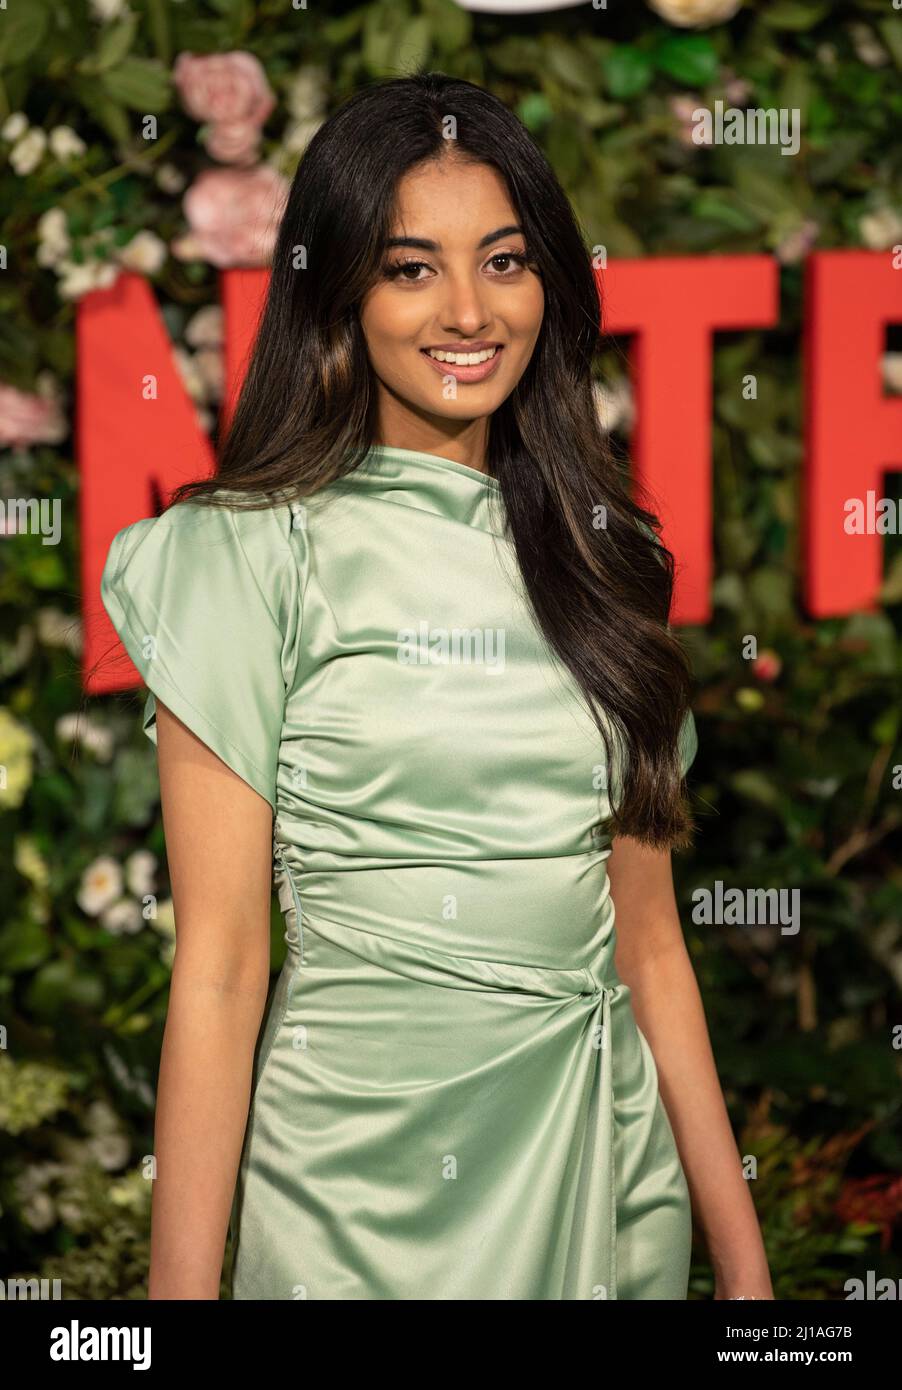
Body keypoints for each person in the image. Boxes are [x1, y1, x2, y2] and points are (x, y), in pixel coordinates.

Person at [100, 73, 773, 1301]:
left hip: (589, 1163)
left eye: (504, 261)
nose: (467, 310)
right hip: (345, 1192)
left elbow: (650, 950)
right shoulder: (243, 556)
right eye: (411, 268)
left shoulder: (607, 561)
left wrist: (747, 1277)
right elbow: (219, 969)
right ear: (337, 290)